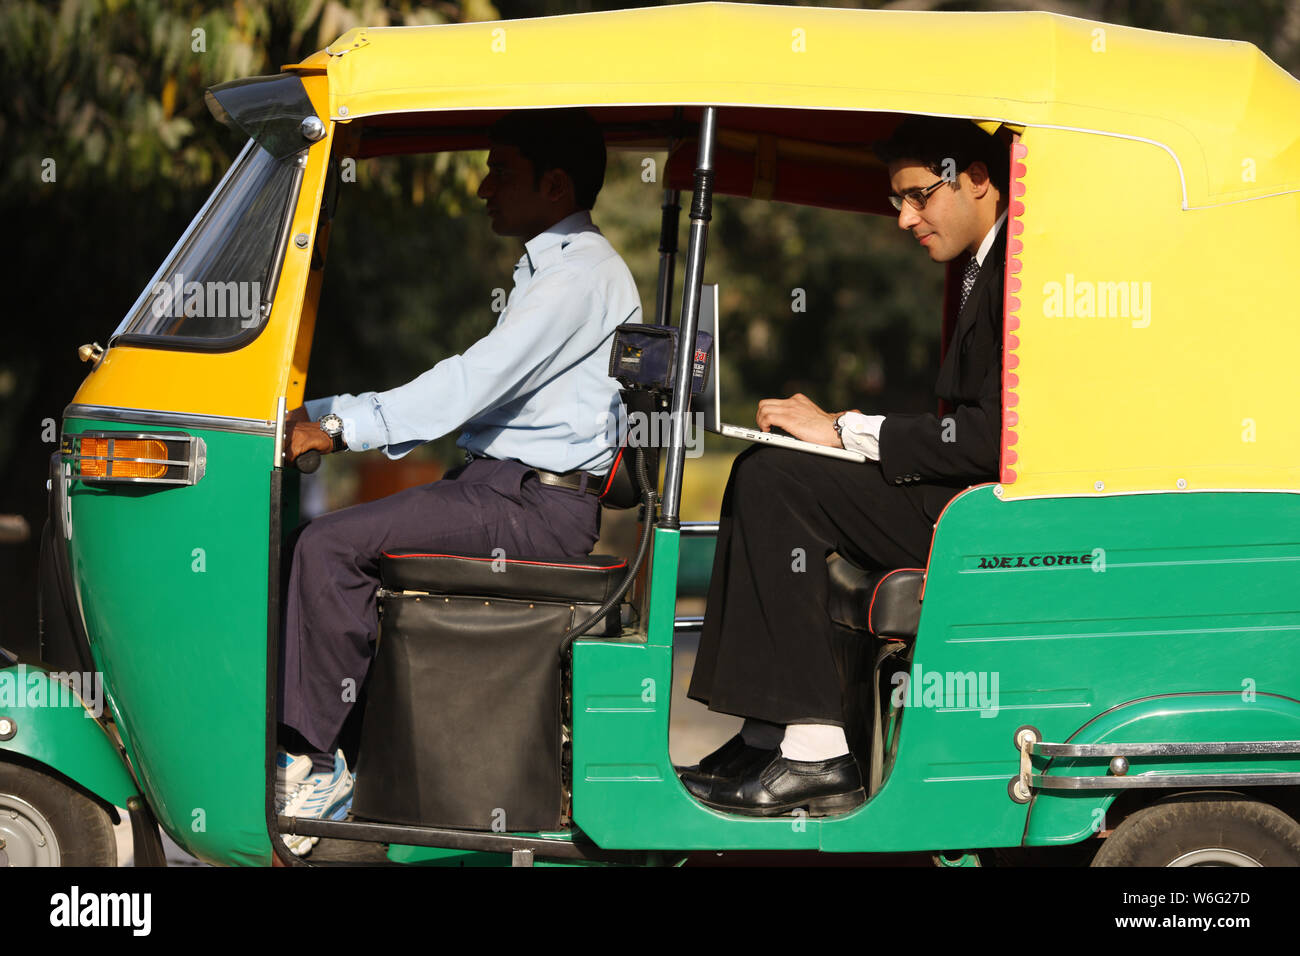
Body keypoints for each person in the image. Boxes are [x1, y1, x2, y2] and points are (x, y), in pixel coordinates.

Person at [273, 108, 642, 855]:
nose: (481, 188)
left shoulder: (577, 278)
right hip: (501, 490)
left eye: (500, 170)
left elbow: (471, 384)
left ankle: (316, 764)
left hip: (532, 507)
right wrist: (313, 409)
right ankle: (340, 749)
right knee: (328, 541)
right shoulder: (556, 268)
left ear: (555, 182)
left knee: (329, 546)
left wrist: (339, 428)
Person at [682, 116, 1010, 816]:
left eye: (919, 196)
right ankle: (770, 729)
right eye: (899, 201)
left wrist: (842, 429)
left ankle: (816, 752)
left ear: (979, 179)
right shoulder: (982, 263)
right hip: (961, 497)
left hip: (984, 516)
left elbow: (988, 437)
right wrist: (837, 434)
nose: (904, 218)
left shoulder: (1019, 266)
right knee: (763, 469)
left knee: (776, 478)